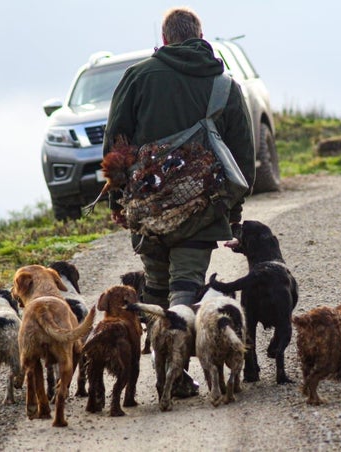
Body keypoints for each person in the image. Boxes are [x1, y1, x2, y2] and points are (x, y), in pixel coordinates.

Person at [102, 7, 255, 396]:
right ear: (200, 35)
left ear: (165, 39)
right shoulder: (224, 85)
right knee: (186, 284)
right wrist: (233, 212)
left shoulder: (136, 77)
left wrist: (118, 202)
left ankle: (169, 374)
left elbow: (116, 141)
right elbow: (242, 154)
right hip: (201, 207)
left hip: (147, 205)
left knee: (155, 285)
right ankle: (178, 365)